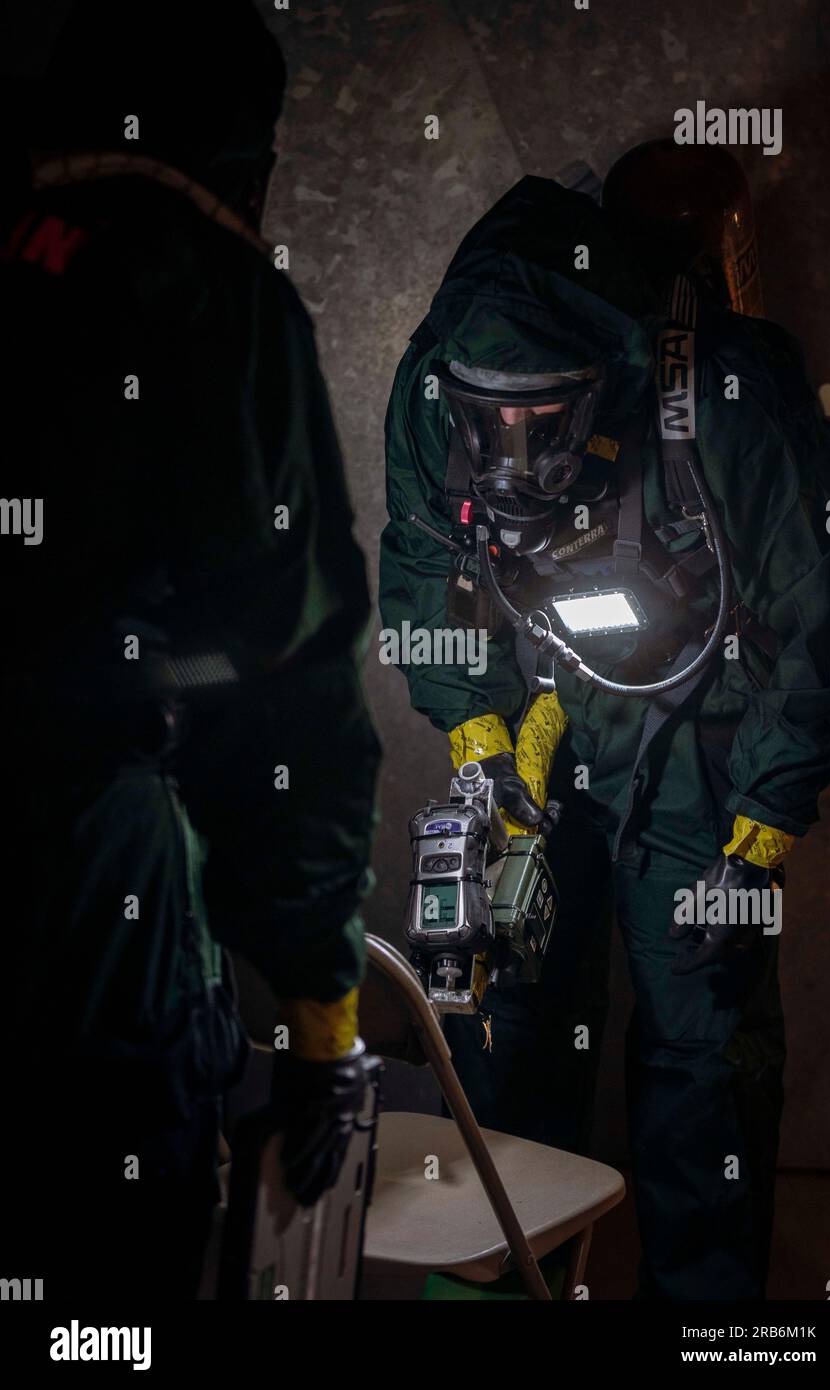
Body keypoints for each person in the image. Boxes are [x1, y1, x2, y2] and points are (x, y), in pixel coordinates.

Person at [379, 170, 830, 1299]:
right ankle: (519, 1270)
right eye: (485, 414)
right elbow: (419, 577)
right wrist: (485, 740)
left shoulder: (729, 400)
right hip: (547, 721)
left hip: (708, 740)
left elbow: (828, 619)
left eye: (541, 413)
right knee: (511, 1008)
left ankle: (704, 1314)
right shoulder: (425, 389)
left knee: (704, 1036)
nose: (507, 446)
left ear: (606, 378)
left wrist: (763, 822)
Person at [0, 0, 380, 1299]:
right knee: (109, 1241)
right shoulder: (213, 296)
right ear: (245, 161)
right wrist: (320, 1015)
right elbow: (290, 682)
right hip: (82, 876)